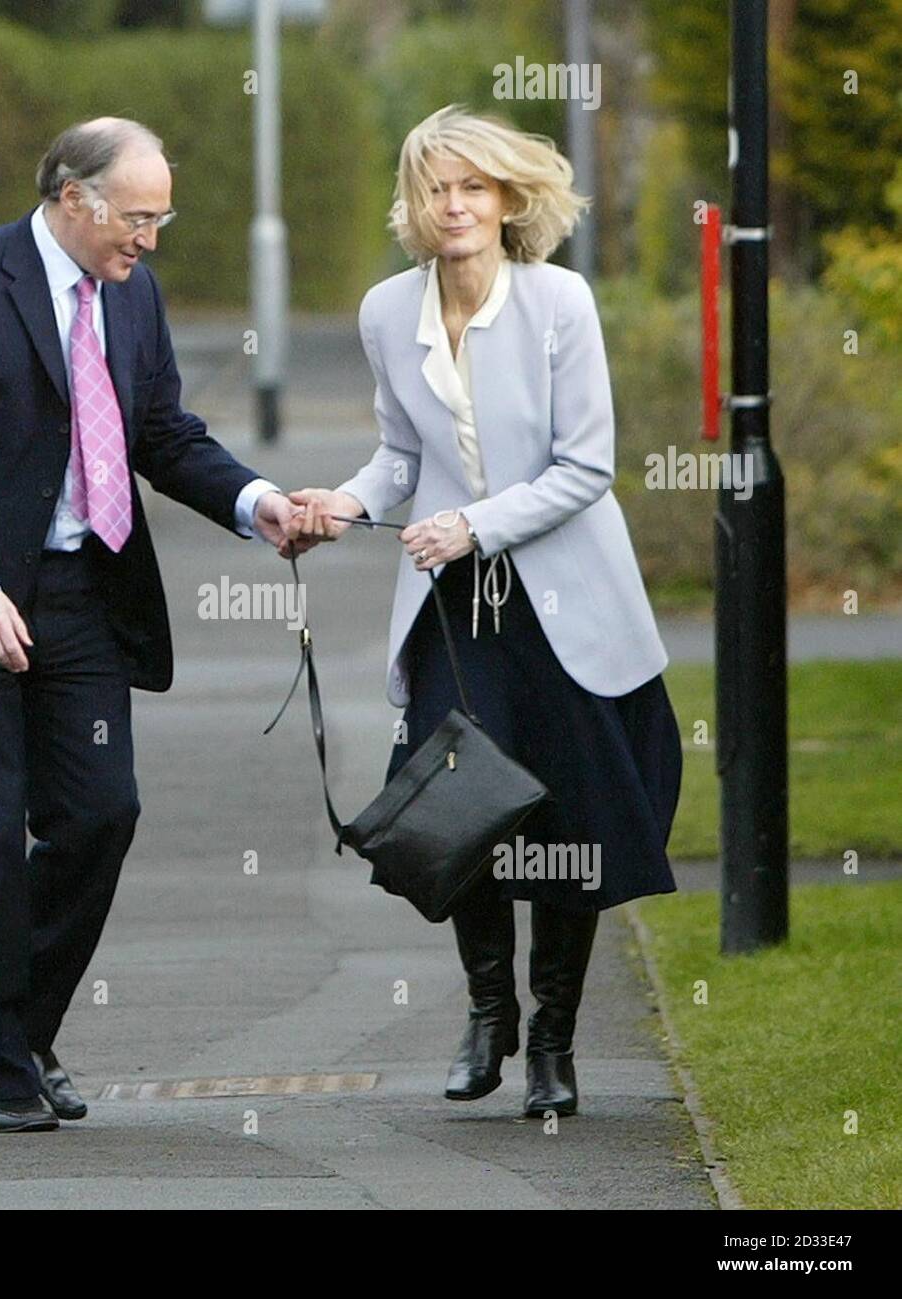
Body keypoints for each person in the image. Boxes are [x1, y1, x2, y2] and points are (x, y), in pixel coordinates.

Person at [0, 117, 306, 1132]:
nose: (151, 239)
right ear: (71, 198)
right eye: (138, 217)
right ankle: (3, 1068)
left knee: (100, 813)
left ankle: (19, 1025)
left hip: (84, 594)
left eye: (161, 217)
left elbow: (162, 432)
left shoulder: (134, 297)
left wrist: (252, 499)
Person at [292, 106, 682, 1118]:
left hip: (563, 605)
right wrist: (345, 502)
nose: (453, 205)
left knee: (565, 822)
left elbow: (585, 465)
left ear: (508, 199)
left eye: (472, 186)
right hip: (451, 610)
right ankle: (486, 1011)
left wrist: (474, 524)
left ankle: (552, 1040)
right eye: (435, 188)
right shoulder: (388, 312)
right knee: (452, 810)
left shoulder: (558, 302)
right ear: (413, 206)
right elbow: (398, 458)